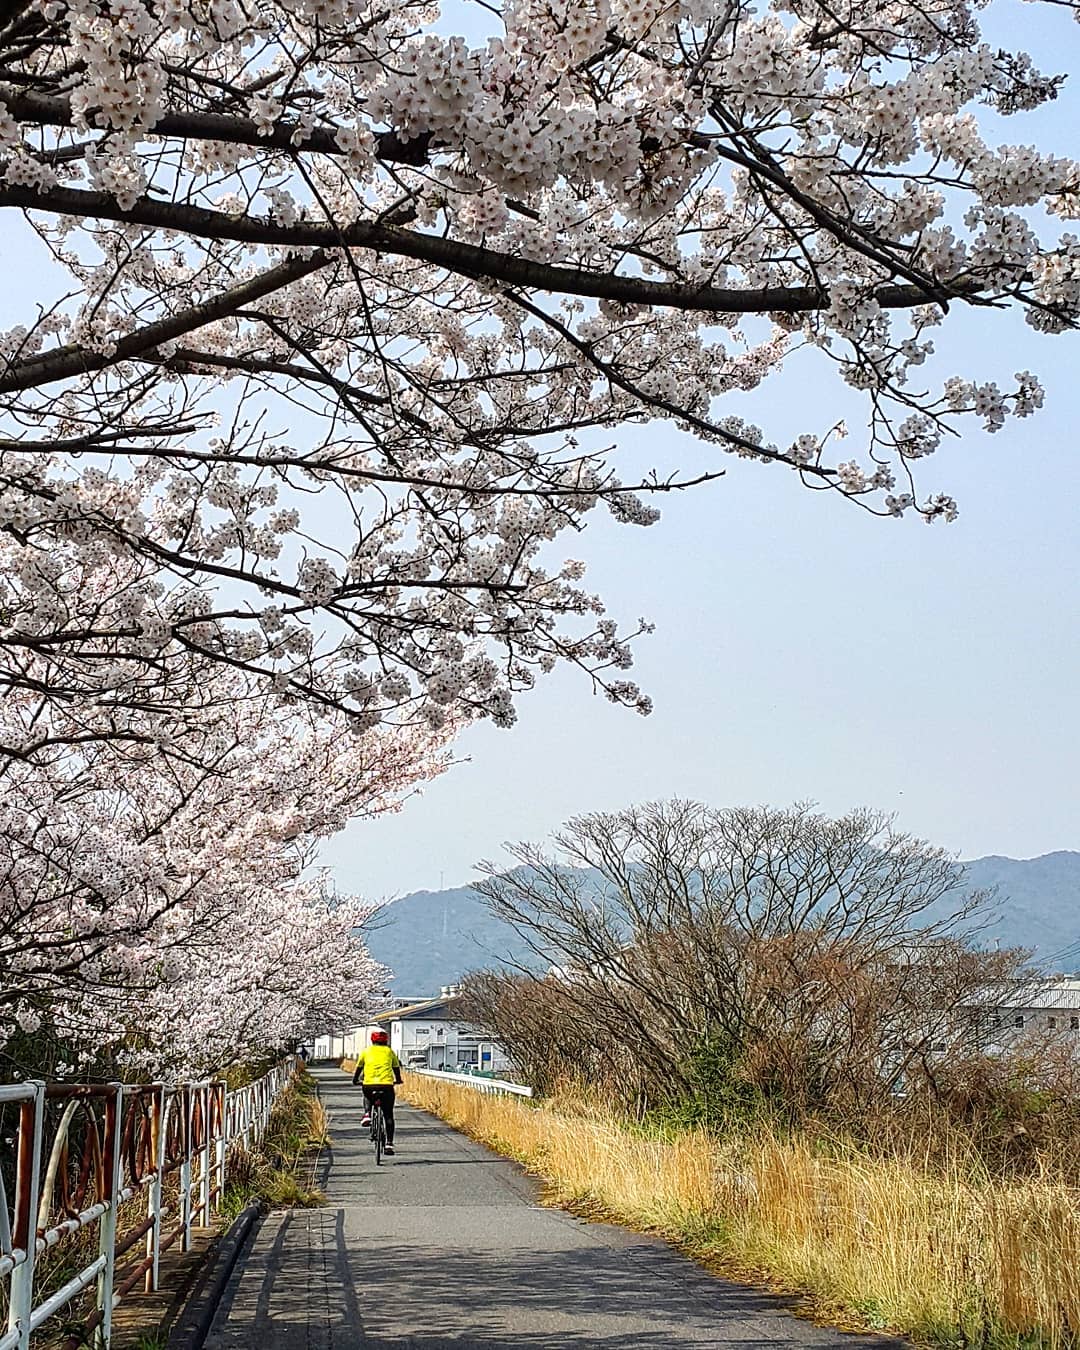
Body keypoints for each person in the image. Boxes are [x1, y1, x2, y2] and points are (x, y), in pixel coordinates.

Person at [352, 1029, 403, 1154]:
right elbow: (396, 1068)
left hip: (369, 1085)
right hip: (386, 1086)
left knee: (367, 1095)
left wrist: (355, 1080)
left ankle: (367, 1114)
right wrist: (398, 1080)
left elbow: (359, 1068)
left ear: (372, 1040)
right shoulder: (390, 1052)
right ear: (386, 1040)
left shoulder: (366, 1051)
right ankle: (389, 1144)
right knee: (388, 1115)